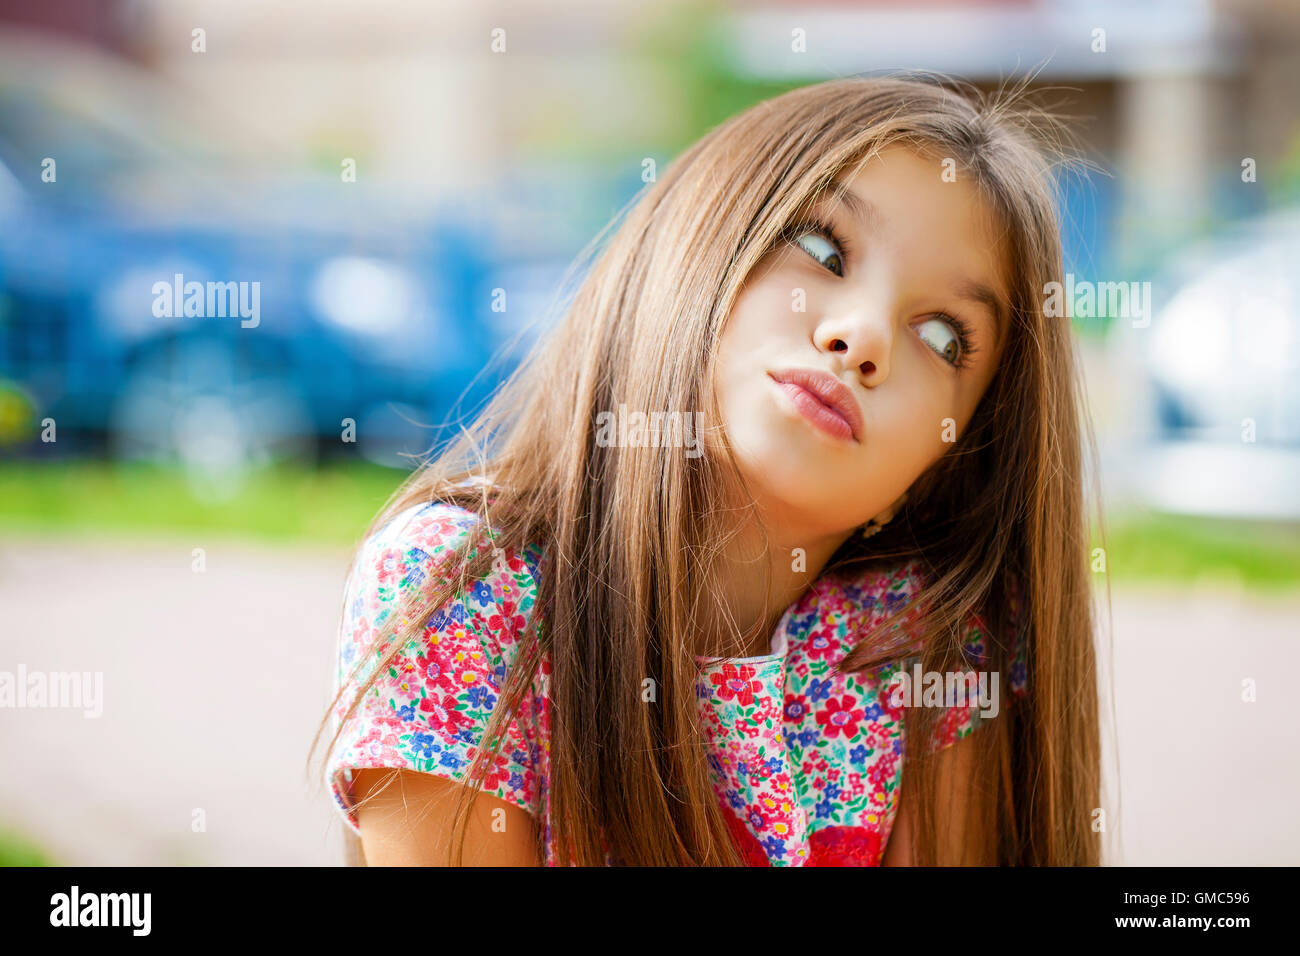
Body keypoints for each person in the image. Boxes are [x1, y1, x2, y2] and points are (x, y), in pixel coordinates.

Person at [309, 73, 1104, 866]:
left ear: (954, 458)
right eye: (823, 249)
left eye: (943, 338)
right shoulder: (466, 588)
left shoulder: (928, 647)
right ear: (692, 245)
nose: (863, 337)